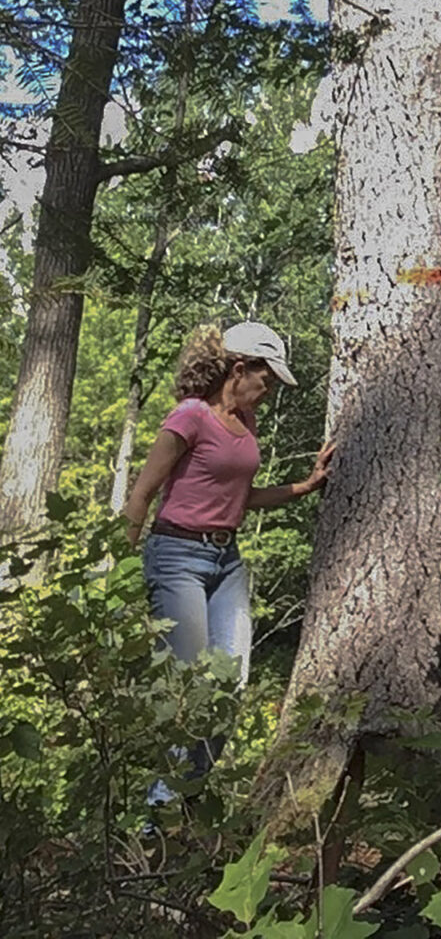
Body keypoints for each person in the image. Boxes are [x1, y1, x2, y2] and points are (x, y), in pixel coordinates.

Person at [123, 320, 333, 799]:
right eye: (268, 379)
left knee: (228, 688)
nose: (270, 390)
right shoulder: (189, 417)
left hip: (226, 560)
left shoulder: (247, 422)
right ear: (240, 369)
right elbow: (142, 493)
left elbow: (240, 497)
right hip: (176, 556)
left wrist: (303, 486)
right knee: (191, 690)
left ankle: (189, 800)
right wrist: (118, 573)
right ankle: (160, 815)